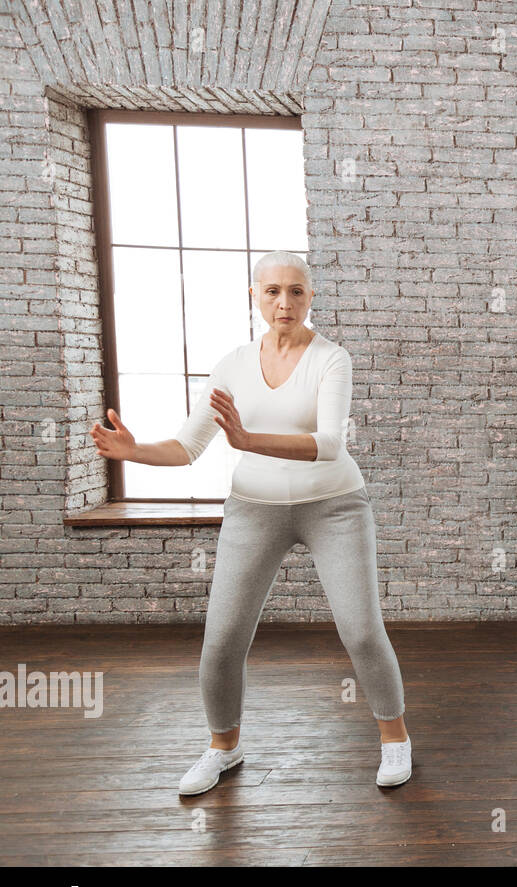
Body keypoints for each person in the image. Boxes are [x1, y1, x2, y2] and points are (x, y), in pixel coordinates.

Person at [91, 252, 412, 795]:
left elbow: (331, 445)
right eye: (272, 292)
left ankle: (395, 739)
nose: (283, 302)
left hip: (334, 506)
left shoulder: (332, 359)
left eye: (295, 291)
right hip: (253, 508)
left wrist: (245, 441)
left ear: (311, 296)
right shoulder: (232, 365)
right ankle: (224, 747)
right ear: (254, 295)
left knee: (360, 629)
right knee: (221, 639)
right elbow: (189, 446)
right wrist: (133, 450)